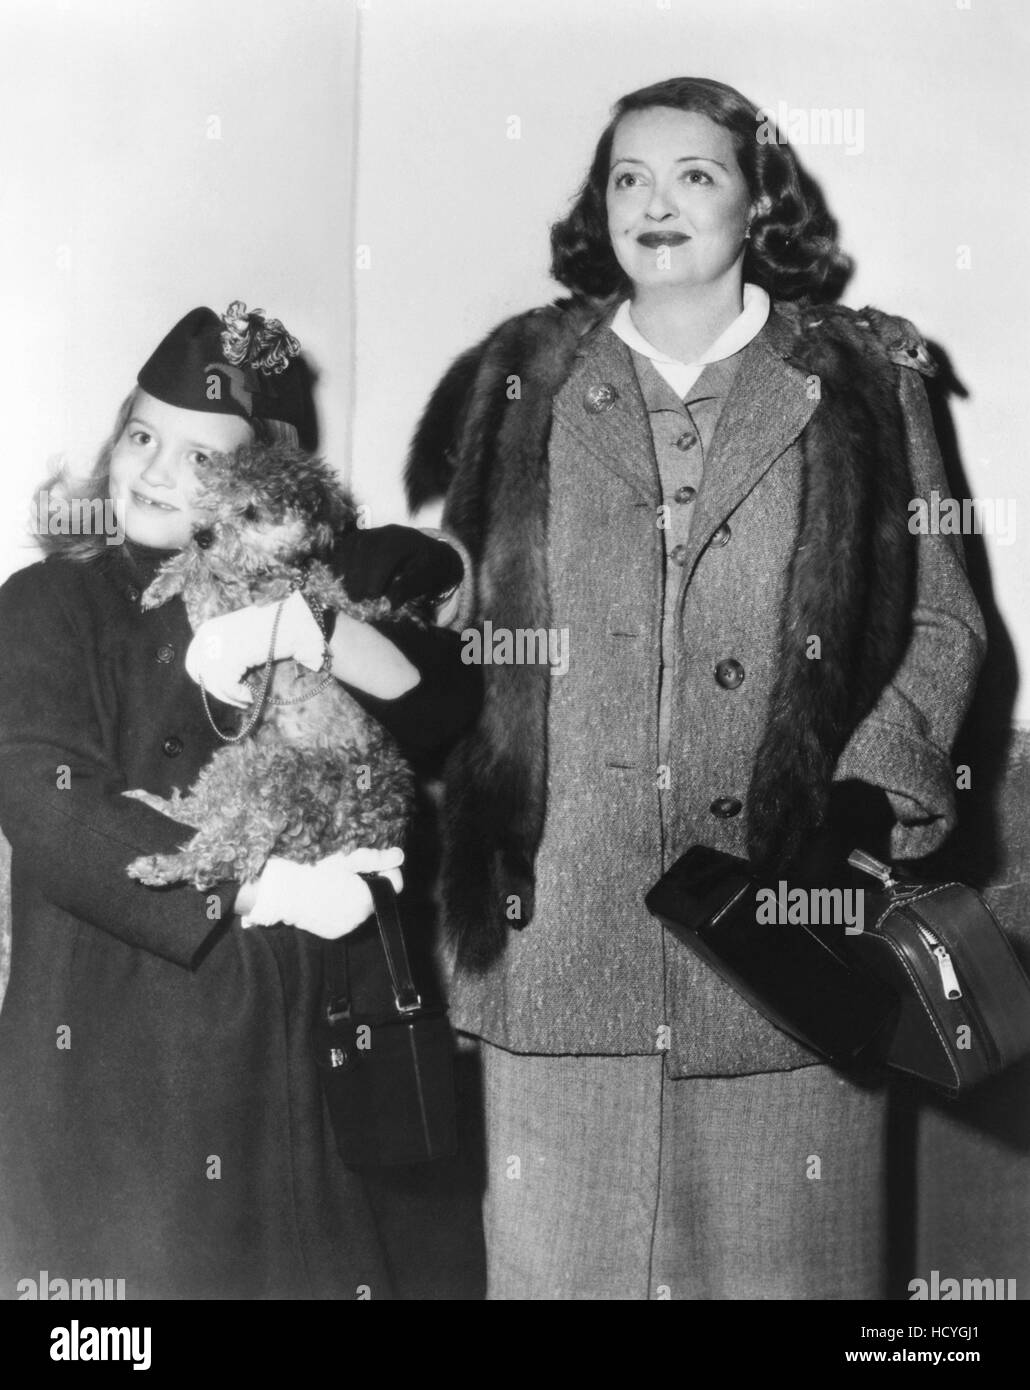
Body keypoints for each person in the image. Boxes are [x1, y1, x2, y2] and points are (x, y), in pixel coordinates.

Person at [404, 77, 987, 1300]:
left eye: (694, 174)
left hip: (786, 955)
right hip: (561, 953)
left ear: (758, 202)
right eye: (627, 177)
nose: (653, 203)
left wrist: (861, 807)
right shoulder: (526, 379)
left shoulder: (867, 380)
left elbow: (938, 620)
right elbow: (460, 629)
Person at [0, 301, 480, 1300]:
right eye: (142, 436)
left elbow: (438, 703)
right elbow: (49, 812)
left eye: (204, 460)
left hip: (280, 1044)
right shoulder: (48, 603)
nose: (158, 472)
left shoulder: (283, 599)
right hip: (105, 1040)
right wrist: (256, 884)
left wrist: (315, 620)